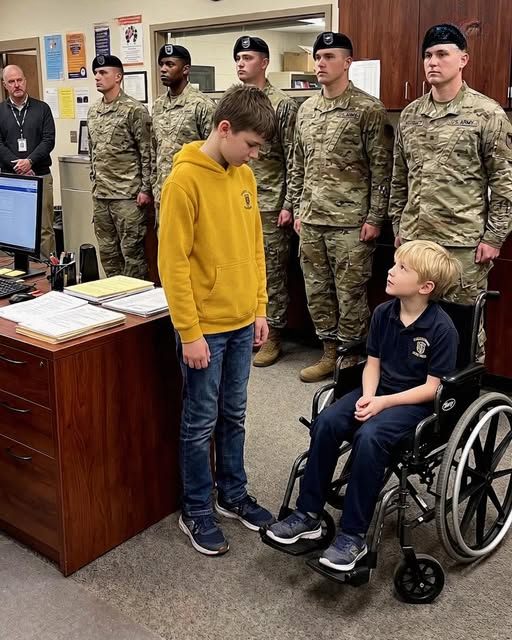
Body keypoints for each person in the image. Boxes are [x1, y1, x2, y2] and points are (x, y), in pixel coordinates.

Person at [265, 240, 461, 571]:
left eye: (402, 268)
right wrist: (369, 396)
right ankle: (308, 514)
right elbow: (372, 364)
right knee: (327, 421)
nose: (391, 271)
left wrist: (382, 403)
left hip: (413, 403)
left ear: (425, 287)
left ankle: (353, 536)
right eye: (394, 264)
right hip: (378, 389)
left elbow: (431, 389)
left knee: (369, 437)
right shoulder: (384, 313)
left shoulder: (442, 330)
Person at [158, 85, 277, 556]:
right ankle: (196, 509)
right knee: (200, 420)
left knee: (234, 413)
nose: (254, 156)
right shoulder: (183, 181)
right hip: (204, 328)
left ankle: (232, 493)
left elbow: (255, 247)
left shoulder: (243, 176)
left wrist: (260, 307)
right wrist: (189, 332)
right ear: (224, 129)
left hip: (242, 320)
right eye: (251, 145)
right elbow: (173, 264)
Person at [389, 24, 512, 354]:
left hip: (462, 245)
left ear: (463, 60)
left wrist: (494, 237)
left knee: (463, 327)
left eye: (442, 54)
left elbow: (504, 182)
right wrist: (398, 226)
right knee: (413, 323)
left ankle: (465, 386)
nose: (433, 62)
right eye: (428, 55)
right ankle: (416, 385)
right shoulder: (411, 115)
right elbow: (399, 177)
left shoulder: (487, 114)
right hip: (416, 240)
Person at [291, 32, 394, 383]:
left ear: (347, 62)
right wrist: (298, 208)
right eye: (318, 57)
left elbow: (382, 169)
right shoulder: (306, 109)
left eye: (329, 57)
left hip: (351, 222)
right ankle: (329, 353)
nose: (321, 63)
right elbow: (298, 164)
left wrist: (375, 217)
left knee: (350, 294)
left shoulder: (368, 109)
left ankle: (351, 358)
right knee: (317, 291)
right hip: (312, 219)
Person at [234, 36, 298, 366]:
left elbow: (293, 158)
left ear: (264, 62)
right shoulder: (233, 101)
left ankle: (272, 335)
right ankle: (246, 329)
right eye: (238, 58)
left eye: (247, 57)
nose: (241, 63)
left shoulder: (282, 105)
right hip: (236, 201)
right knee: (239, 269)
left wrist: (289, 204)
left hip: (270, 202)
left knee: (271, 273)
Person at [87, 54, 152, 279]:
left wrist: (146, 189)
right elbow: (93, 150)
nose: (97, 77)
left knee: (132, 256)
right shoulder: (93, 111)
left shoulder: (134, 110)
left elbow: (147, 151)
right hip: (101, 196)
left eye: (103, 72)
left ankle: (137, 299)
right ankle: (114, 295)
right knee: (108, 255)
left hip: (127, 197)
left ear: (118, 77)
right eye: (96, 73)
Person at [151, 44, 215, 221]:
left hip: (192, 195)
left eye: (170, 64)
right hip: (163, 194)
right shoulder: (158, 105)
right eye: (162, 64)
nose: (163, 69)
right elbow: (154, 150)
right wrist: (153, 187)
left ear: (185, 69)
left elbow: (214, 155)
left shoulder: (202, 105)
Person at [0, 64, 56, 260]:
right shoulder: (0, 111)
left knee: (44, 227)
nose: (16, 85)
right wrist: (18, 166)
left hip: (40, 175)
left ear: (25, 80)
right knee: (14, 226)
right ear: (5, 85)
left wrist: (30, 162)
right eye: (11, 82)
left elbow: (49, 140)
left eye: (19, 80)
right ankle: (17, 268)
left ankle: (47, 269)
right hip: (11, 178)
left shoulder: (42, 109)